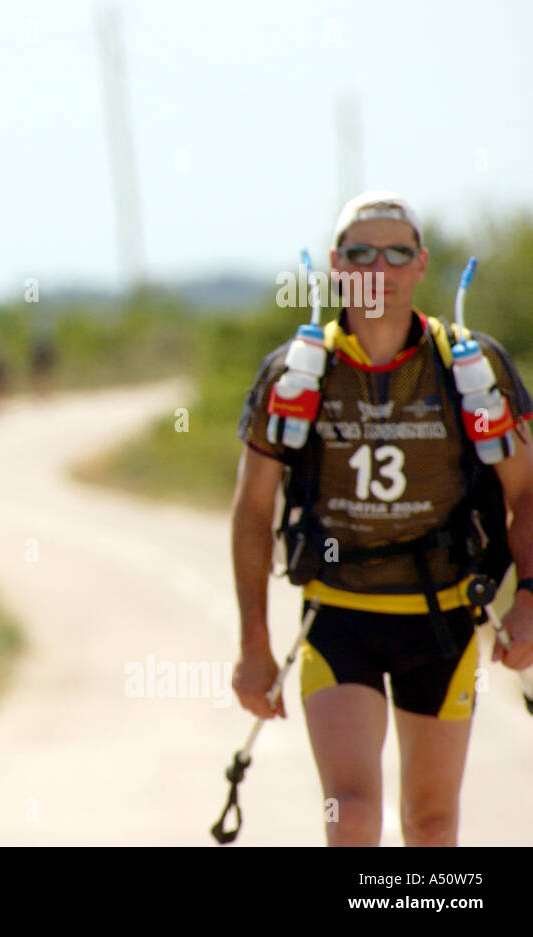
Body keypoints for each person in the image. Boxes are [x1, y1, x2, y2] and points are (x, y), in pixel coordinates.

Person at [231, 190, 533, 846]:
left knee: (431, 825)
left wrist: (530, 599)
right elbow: (254, 507)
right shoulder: (296, 372)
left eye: (397, 251)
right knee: (354, 812)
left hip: (444, 619)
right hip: (338, 616)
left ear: (421, 263)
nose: (380, 268)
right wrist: (253, 641)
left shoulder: (470, 366)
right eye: (362, 252)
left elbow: (528, 491)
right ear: (337, 266)